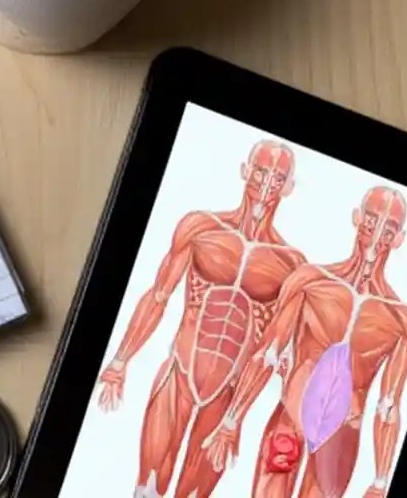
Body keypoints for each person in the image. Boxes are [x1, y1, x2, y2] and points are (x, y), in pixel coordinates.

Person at [98, 141, 306, 497]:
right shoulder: (200, 227)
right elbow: (158, 295)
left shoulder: (292, 266)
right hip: (180, 370)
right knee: (147, 487)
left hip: (228, 391)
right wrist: (120, 360)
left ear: (288, 187)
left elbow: (270, 352)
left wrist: (234, 419)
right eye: (261, 170)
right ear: (245, 170)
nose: (268, 182)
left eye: (278, 176)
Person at [202, 187, 407, 498]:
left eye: (389, 229)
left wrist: (382, 480)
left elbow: (389, 406)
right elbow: (269, 352)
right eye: (372, 221)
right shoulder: (310, 281)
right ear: (357, 218)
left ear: (399, 239)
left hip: (340, 438)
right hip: (290, 419)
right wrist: (232, 420)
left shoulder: (402, 320)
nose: (377, 236)